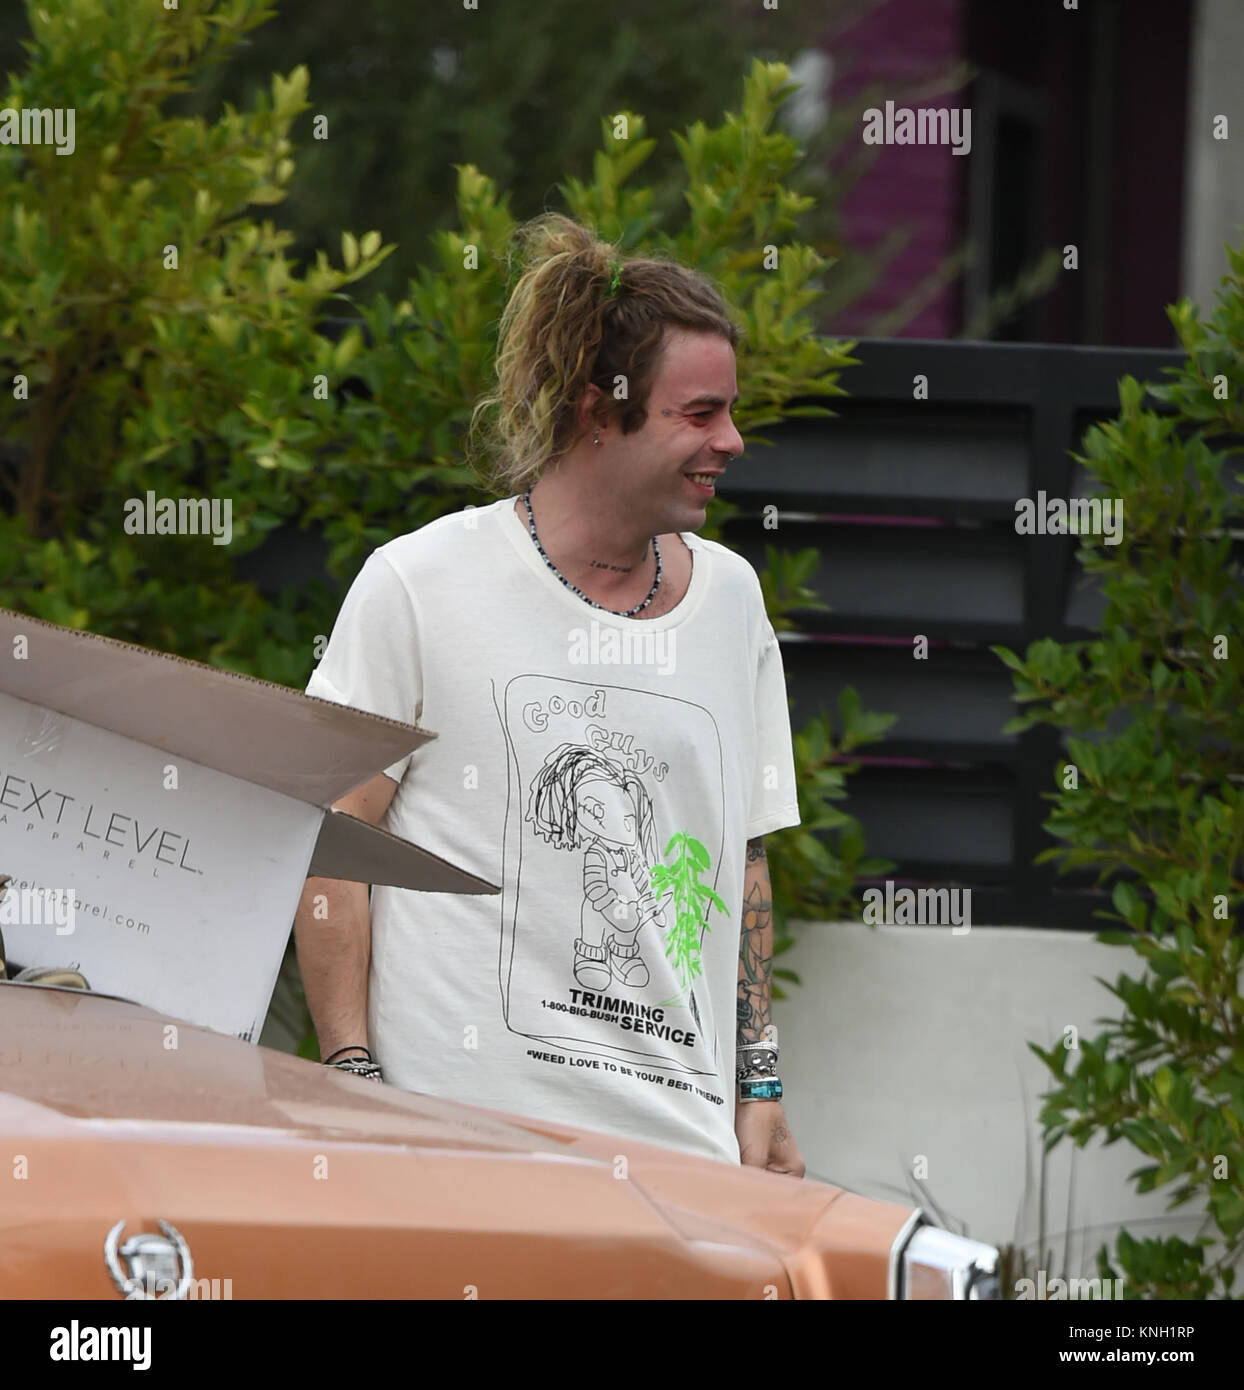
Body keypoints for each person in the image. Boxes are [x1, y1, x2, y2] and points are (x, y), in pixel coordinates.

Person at [294, 213, 805, 1175]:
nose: (732, 441)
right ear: (596, 411)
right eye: (699, 414)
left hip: (677, 1163)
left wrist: (762, 1087)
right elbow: (332, 837)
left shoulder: (733, 601)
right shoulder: (422, 583)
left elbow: (743, 865)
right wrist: (349, 1072)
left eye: (731, 412)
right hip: (457, 1150)